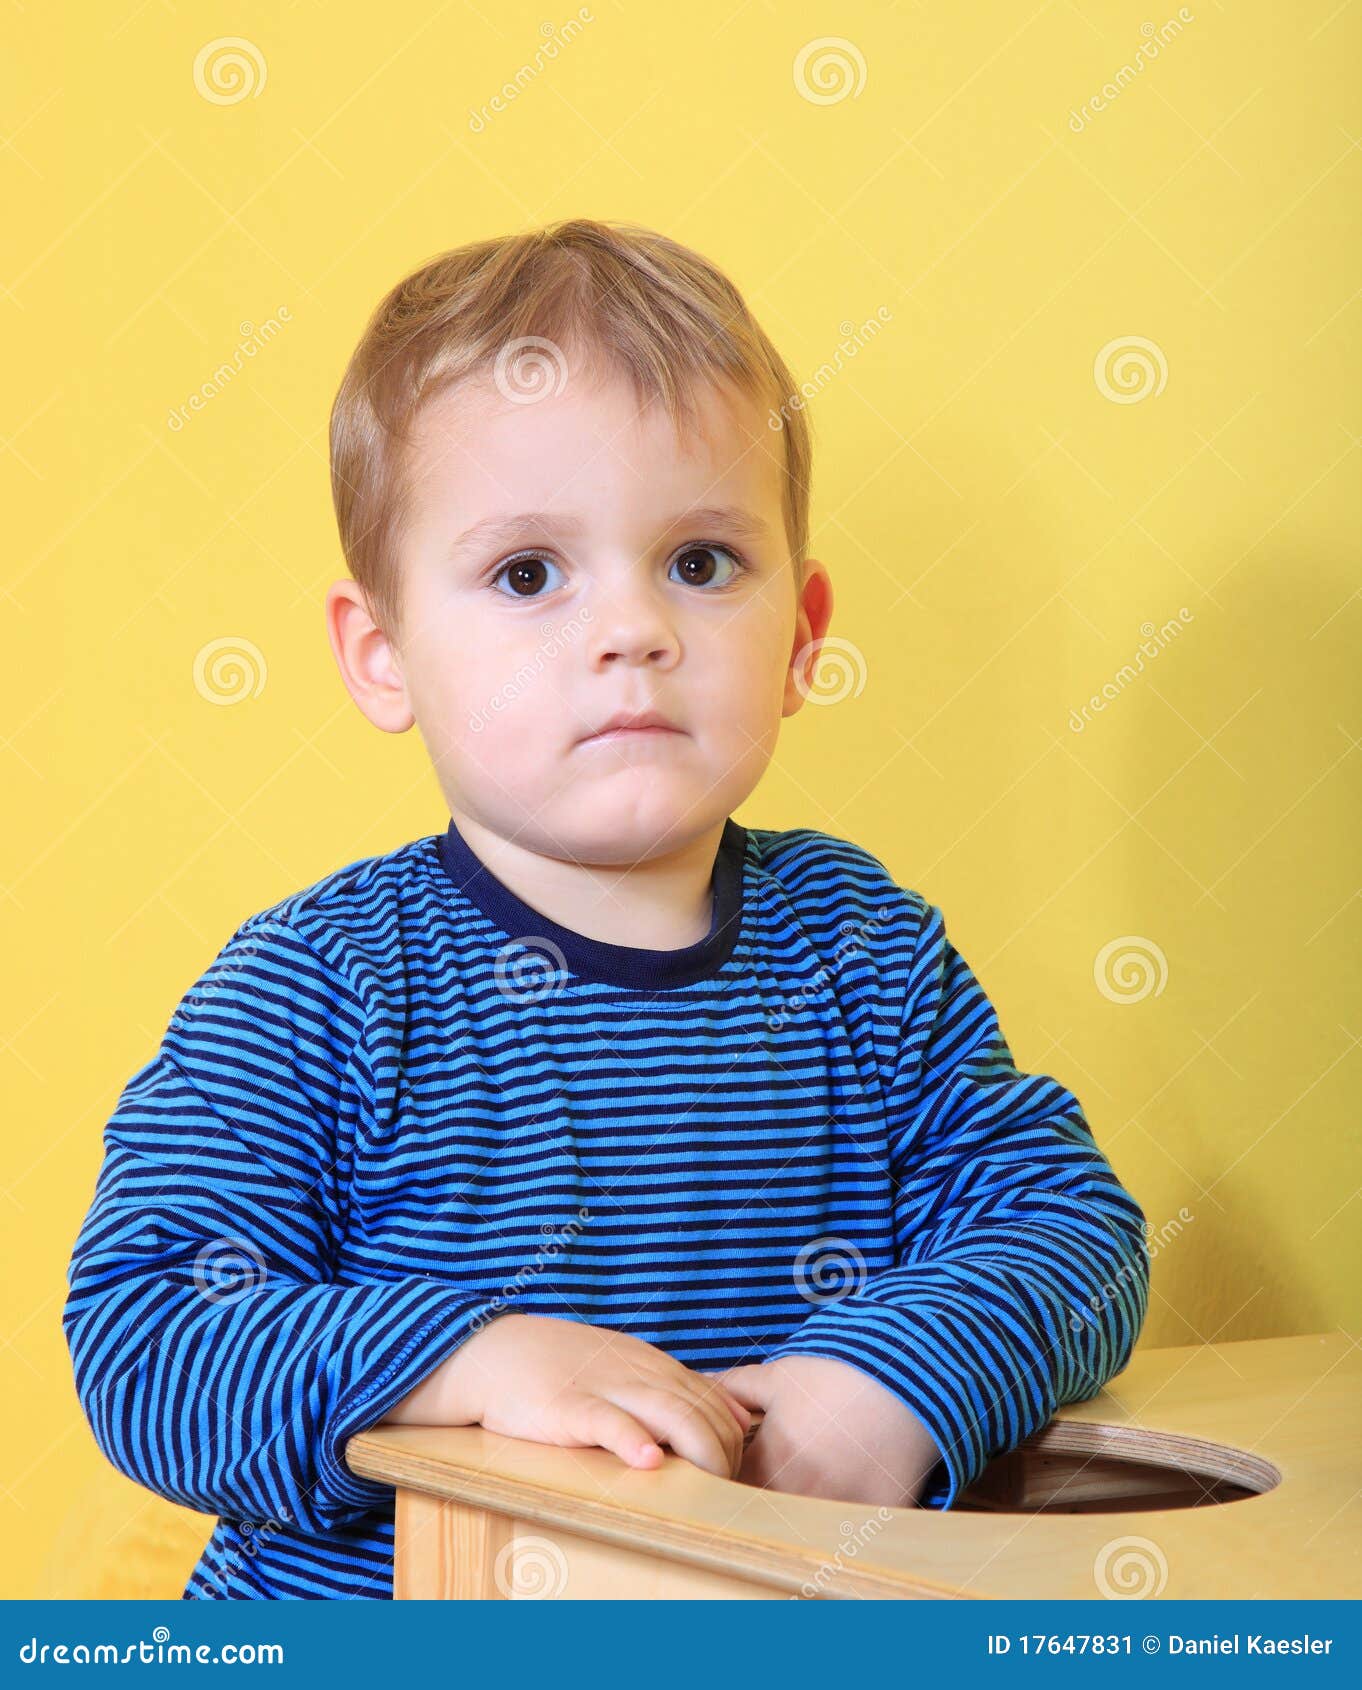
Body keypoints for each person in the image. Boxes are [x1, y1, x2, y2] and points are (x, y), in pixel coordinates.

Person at [63, 218, 1150, 1600]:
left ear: (802, 635)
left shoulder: (860, 945)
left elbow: (1070, 1223)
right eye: (528, 573)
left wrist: (887, 1386)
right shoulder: (318, 983)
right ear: (382, 653)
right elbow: (148, 1337)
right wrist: (464, 1362)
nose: (632, 627)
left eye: (700, 562)